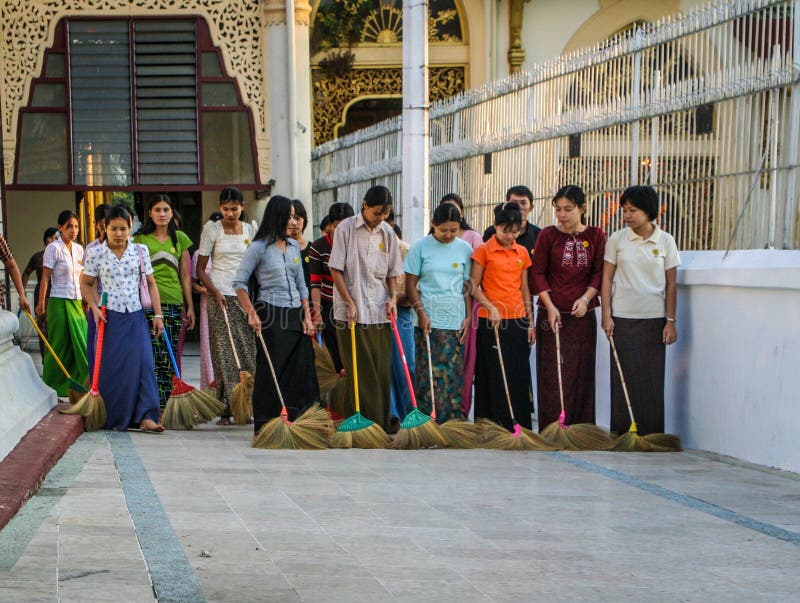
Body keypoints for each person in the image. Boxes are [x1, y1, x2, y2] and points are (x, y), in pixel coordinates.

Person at [234, 195, 319, 433]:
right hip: (269, 312)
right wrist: (251, 313)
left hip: (295, 313)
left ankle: (300, 421)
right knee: (273, 368)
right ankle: (268, 426)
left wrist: (308, 316)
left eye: (295, 217)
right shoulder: (259, 248)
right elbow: (239, 283)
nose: (293, 222)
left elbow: (302, 283)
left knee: (301, 367)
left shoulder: (293, 246)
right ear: (277, 217)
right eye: (289, 216)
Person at [601, 185, 680, 435]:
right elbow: (606, 279)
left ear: (648, 211)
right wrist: (606, 314)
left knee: (651, 379)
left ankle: (651, 434)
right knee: (622, 377)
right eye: (625, 210)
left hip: (654, 320)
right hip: (622, 319)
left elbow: (670, 284)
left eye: (633, 210)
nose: (627, 215)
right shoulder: (617, 239)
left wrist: (670, 321)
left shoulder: (666, 241)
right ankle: (623, 433)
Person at [81, 205, 164, 432]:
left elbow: (151, 284)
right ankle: (113, 416)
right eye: (114, 229)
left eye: (124, 229)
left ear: (131, 229)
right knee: (113, 368)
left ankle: (147, 416)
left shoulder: (140, 251)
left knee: (145, 364)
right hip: (107, 317)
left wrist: (158, 314)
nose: (119, 234)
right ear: (104, 228)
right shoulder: (96, 253)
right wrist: (94, 307)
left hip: (135, 315)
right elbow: (85, 283)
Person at [531, 185, 606, 430]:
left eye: (568, 209)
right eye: (558, 209)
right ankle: (552, 428)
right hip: (551, 315)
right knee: (552, 371)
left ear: (583, 208)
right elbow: (538, 273)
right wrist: (550, 307)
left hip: (582, 316)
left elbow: (598, 273)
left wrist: (585, 299)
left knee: (581, 371)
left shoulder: (596, 236)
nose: (562, 215)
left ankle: (581, 430)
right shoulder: (548, 235)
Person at [329, 185, 403, 431]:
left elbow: (392, 273)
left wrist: (393, 298)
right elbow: (336, 268)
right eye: (377, 212)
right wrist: (349, 301)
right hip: (351, 312)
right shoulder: (346, 229)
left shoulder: (388, 234)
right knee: (358, 370)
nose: (380, 217)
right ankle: (359, 425)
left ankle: (379, 424)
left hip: (380, 311)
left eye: (385, 213)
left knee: (380, 369)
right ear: (364, 205)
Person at [405, 203, 473, 422]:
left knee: (452, 376)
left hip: (455, 320)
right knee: (428, 375)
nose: (448, 235)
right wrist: (421, 313)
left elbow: (467, 287)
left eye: (453, 230)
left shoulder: (464, 248)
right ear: (433, 224)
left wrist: (468, 316)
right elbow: (410, 285)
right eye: (443, 230)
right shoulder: (420, 248)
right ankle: (427, 422)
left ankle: (451, 424)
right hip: (428, 321)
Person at [470, 203, 535, 430]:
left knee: (517, 372)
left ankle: (519, 424)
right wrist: (490, 306)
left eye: (515, 231)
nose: (510, 236)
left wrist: (531, 322)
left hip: (517, 319)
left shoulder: (523, 253)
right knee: (493, 372)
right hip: (492, 320)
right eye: (505, 230)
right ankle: (492, 423)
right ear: (495, 226)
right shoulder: (483, 251)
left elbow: (525, 287)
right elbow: (473, 286)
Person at [196, 187, 257, 425]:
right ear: (220, 208)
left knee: (247, 352)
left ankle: (246, 406)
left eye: (235, 208)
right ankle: (226, 409)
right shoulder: (212, 230)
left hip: (243, 296)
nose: (230, 213)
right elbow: (201, 269)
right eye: (225, 209)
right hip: (219, 296)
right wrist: (214, 291)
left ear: (242, 206)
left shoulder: (251, 229)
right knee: (223, 354)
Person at [134, 194, 195, 408]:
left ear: (172, 213)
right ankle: (153, 403)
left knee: (170, 356)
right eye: (157, 210)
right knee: (152, 354)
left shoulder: (180, 239)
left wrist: (190, 307)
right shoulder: (140, 240)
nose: (162, 214)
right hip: (148, 305)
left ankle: (170, 405)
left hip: (174, 302)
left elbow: (186, 275)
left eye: (166, 210)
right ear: (150, 213)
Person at [36, 210, 88, 397]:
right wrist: (41, 303)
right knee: (59, 343)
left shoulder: (80, 249)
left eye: (76, 226)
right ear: (60, 228)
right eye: (69, 227)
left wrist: (87, 300)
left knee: (81, 342)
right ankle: (51, 385)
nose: (73, 230)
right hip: (58, 301)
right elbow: (45, 279)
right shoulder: (53, 248)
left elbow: (82, 278)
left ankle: (81, 383)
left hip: (77, 301)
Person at [308, 202, 354, 373]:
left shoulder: (356, 244)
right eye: (337, 226)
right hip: (328, 305)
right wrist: (318, 314)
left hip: (353, 304)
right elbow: (315, 284)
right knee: (335, 354)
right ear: (330, 225)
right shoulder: (318, 248)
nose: (342, 230)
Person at [386, 216, 413, 429]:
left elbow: (411, 289)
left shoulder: (405, 250)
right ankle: (392, 414)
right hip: (377, 313)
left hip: (401, 312)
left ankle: (409, 413)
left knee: (406, 365)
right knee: (385, 366)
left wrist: (395, 300)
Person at [191, 211, 222, 390]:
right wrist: (206, 290)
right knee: (209, 347)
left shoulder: (233, 250)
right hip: (207, 305)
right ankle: (211, 390)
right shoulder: (199, 254)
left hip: (228, 302)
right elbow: (192, 282)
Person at [22, 227, 58, 355]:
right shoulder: (38, 257)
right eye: (53, 238)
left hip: (57, 297)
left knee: (56, 331)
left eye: (57, 238)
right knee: (43, 331)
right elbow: (26, 272)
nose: (56, 241)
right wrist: (22, 293)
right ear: (47, 240)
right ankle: (45, 362)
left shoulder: (61, 256)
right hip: (41, 297)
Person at [482, 185, 542, 256]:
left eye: (523, 203)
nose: (518, 207)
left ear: (531, 207)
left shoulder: (539, 235)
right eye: (514, 203)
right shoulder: (492, 232)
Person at [288, 199, 312, 291]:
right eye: (291, 218)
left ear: (304, 220)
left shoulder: (313, 248)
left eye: (298, 218)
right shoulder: (281, 247)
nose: (294, 223)